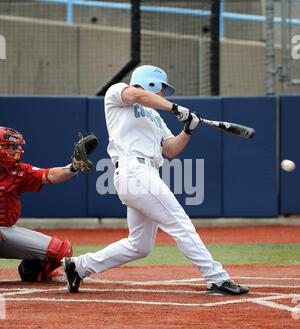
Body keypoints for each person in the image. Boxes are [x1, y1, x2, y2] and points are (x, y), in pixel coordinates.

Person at [62, 65, 249, 296]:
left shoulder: (156, 117)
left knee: (140, 245)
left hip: (146, 173)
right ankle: (217, 278)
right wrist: (175, 108)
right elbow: (137, 95)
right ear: (151, 83)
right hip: (133, 170)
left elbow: (170, 149)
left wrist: (188, 130)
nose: (164, 94)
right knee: (180, 224)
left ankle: (79, 266)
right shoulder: (118, 92)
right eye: (162, 89)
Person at [0, 126, 96, 282]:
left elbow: (50, 174)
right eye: (9, 147)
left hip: (5, 232)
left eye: (15, 147)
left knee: (61, 250)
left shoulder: (18, 171)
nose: (15, 151)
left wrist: (73, 167)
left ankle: (33, 272)